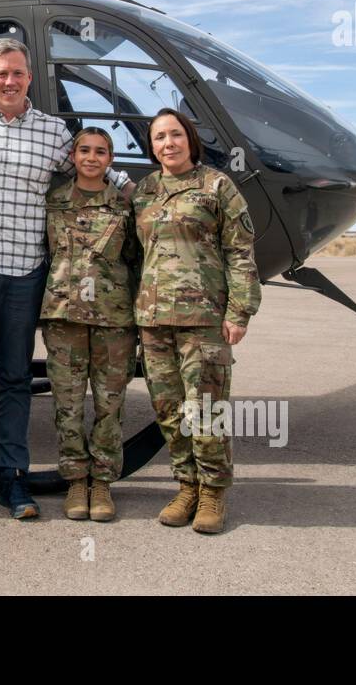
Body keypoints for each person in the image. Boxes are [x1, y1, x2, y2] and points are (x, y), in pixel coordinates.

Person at [0, 38, 133, 522]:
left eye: (18, 73)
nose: (9, 81)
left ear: (29, 78)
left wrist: (143, 190)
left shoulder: (53, 133)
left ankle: (12, 478)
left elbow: (93, 165)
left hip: (26, 271)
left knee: (16, 378)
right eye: (1, 73)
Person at [132, 107, 260, 534]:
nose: (168, 144)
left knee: (206, 410)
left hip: (203, 319)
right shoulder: (145, 191)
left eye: (174, 135)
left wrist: (239, 312)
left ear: (189, 138)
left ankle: (213, 493)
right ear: (152, 147)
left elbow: (240, 252)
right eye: (159, 138)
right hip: (153, 321)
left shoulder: (217, 186)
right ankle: (186, 485)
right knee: (168, 411)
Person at [40, 128, 139, 522]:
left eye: (100, 151)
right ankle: (75, 481)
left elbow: (134, 257)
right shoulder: (52, 202)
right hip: (63, 318)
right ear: (73, 155)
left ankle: (102, 483)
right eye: (84, 150)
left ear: (110, 159)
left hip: (113, 318)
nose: (92, 157)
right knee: (66, 404)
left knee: (109, 405)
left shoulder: (126, 205)